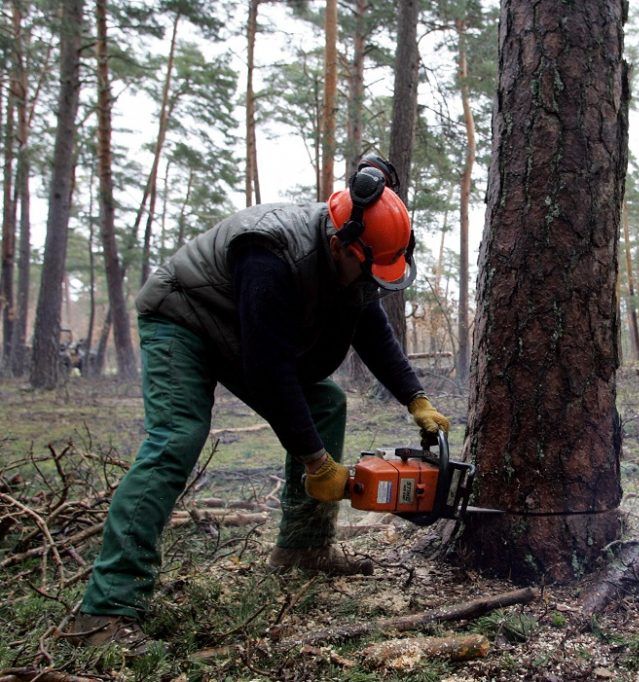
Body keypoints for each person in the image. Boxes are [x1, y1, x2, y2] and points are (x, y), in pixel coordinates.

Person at [65, 155, 450, 649]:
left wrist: (414, 397)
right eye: (368, 269)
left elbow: (372, 329)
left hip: (239, 331)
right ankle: (105, 610)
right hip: (184, 317)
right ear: (340, 244)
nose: (372, 280)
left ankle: (303, 547)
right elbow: (270, 371)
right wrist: (317, 462)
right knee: (177, 437)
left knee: (325, 402)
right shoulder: (270, 253)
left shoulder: (352, 261)